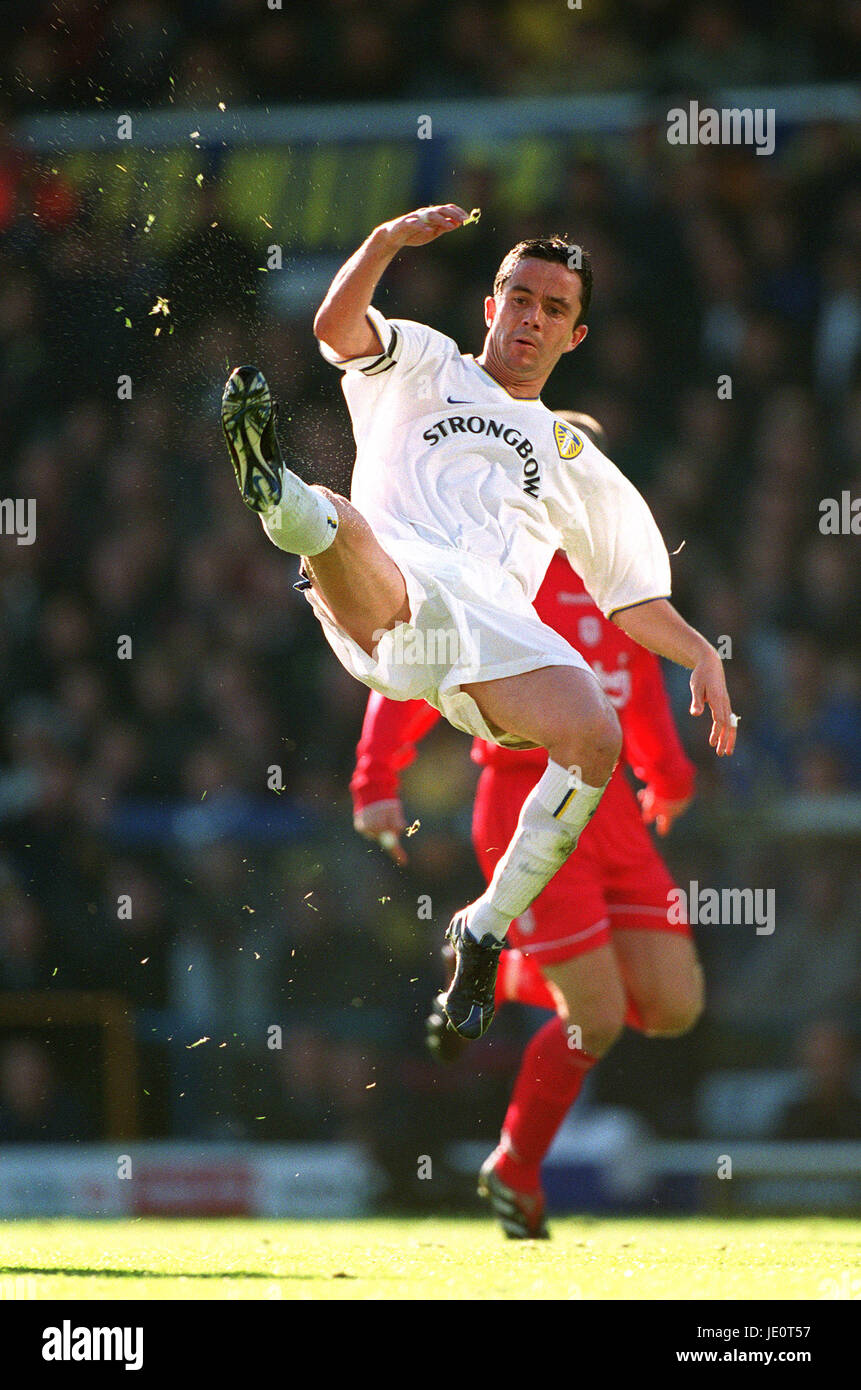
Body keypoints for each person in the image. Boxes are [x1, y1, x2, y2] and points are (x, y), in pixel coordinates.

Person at [221, 203, 736, 1045]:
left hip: (494, 631)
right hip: (399, 582)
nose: (533, 315)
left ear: (574, 338)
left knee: (593, 733)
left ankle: (484, 927)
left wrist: (700, 657)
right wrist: (383, 241)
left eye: (555, 307)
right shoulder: (422, 359)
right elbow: (333, 326)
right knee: (344, 526)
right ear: (491, 308)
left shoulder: (571, 455)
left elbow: (631, 594)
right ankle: (276, 490)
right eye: (520, 297)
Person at [351, 475, 701, 1236]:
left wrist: (668, 774)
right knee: (597, 1018)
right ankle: (515, 1168)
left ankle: (501, 969)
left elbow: (636, 684)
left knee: (674, 1007)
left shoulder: (621, 583)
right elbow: (422, 657)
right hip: (526, 802)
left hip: (613, 812)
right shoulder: (499, 572)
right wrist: (376, 775)